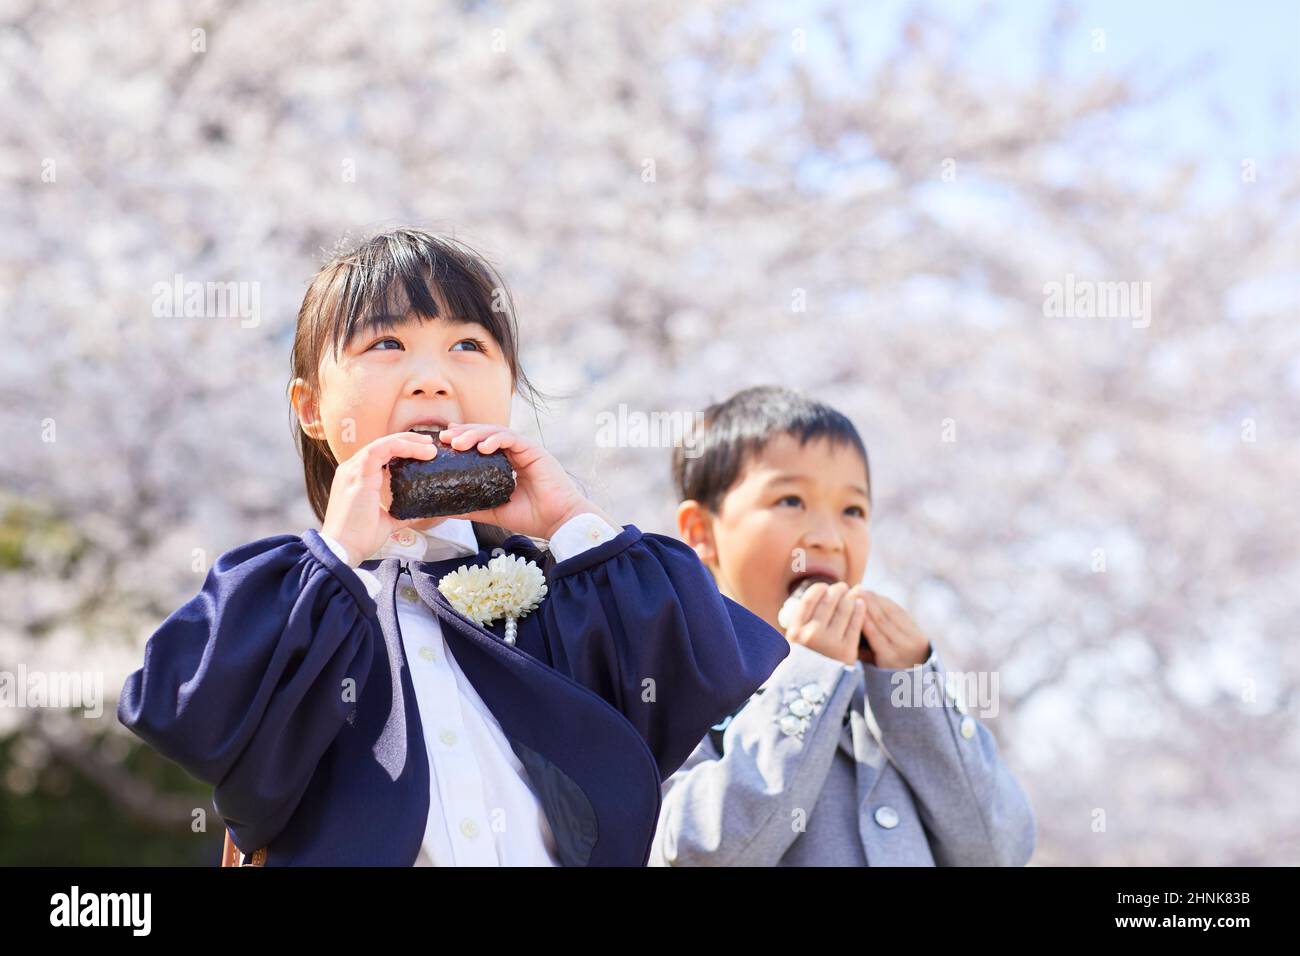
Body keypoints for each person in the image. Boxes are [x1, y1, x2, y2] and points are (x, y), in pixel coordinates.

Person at [117, 229, 788, 866]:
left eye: (468, 345)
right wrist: (338, 558)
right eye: (385, 344)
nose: (432, 377)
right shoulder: (283, 597)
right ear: (312, 408)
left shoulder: (562, 591)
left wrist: (572, 523)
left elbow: (712, 669)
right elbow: (182, 709)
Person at [651, 385, 1035, 866]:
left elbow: (998, 849)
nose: (829, 538)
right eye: (790, 500)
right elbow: (698, 852)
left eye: (853, 510)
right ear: (702, 532)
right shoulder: (679, 683)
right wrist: (809, 675)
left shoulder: (883, 689)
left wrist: (914, 688)